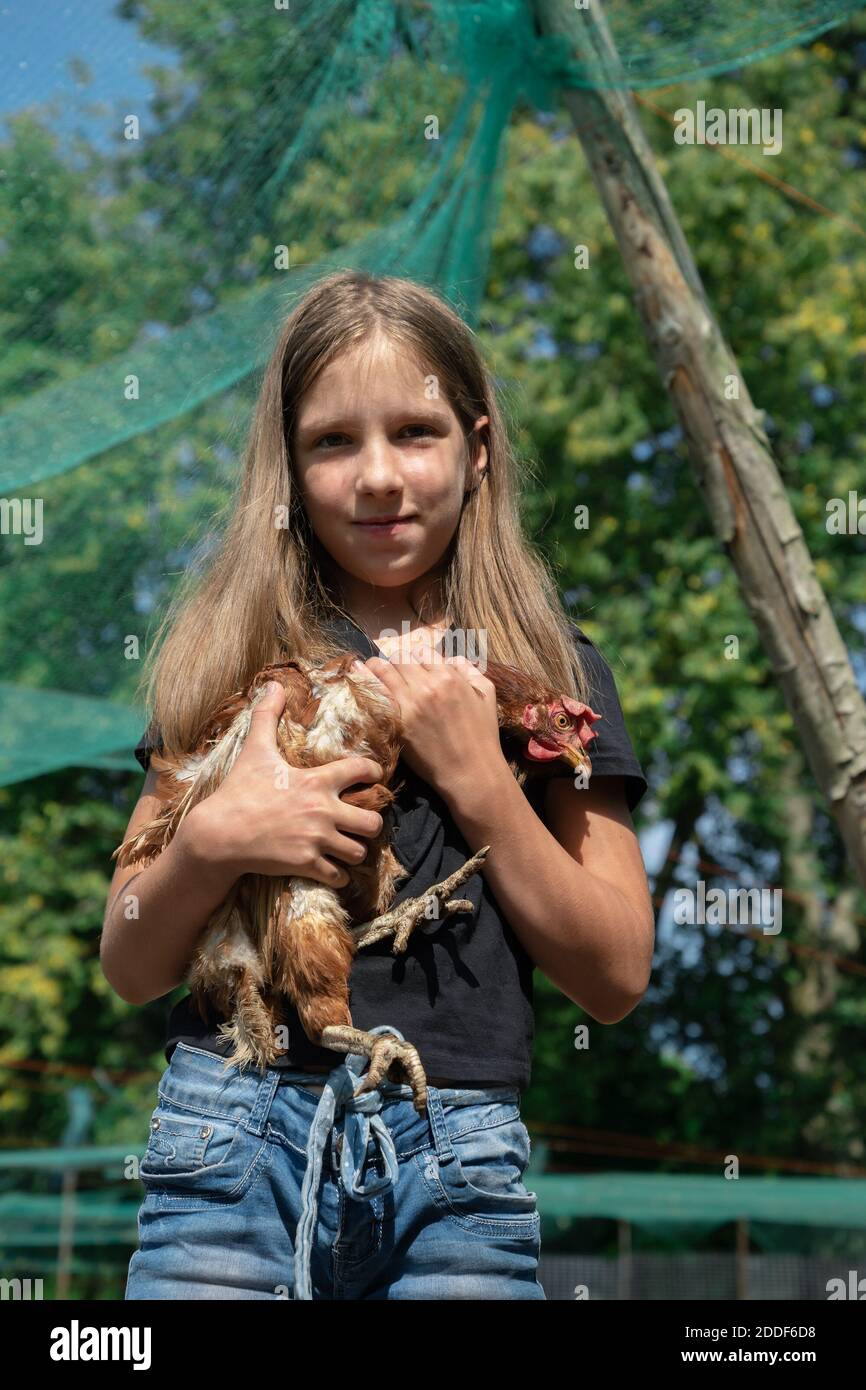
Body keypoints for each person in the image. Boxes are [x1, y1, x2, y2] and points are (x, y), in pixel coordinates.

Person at [102, 268, 654, 1300]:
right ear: (287, 464)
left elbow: (615, 975)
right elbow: (130, 955)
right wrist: (217, 838)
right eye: (332, 441)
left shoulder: (548, 676)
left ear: (476, 449)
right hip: (228, 1128)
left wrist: (480, 781)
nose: (378, 476)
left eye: (415, 432)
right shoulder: (230, 664)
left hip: (457, 1160)